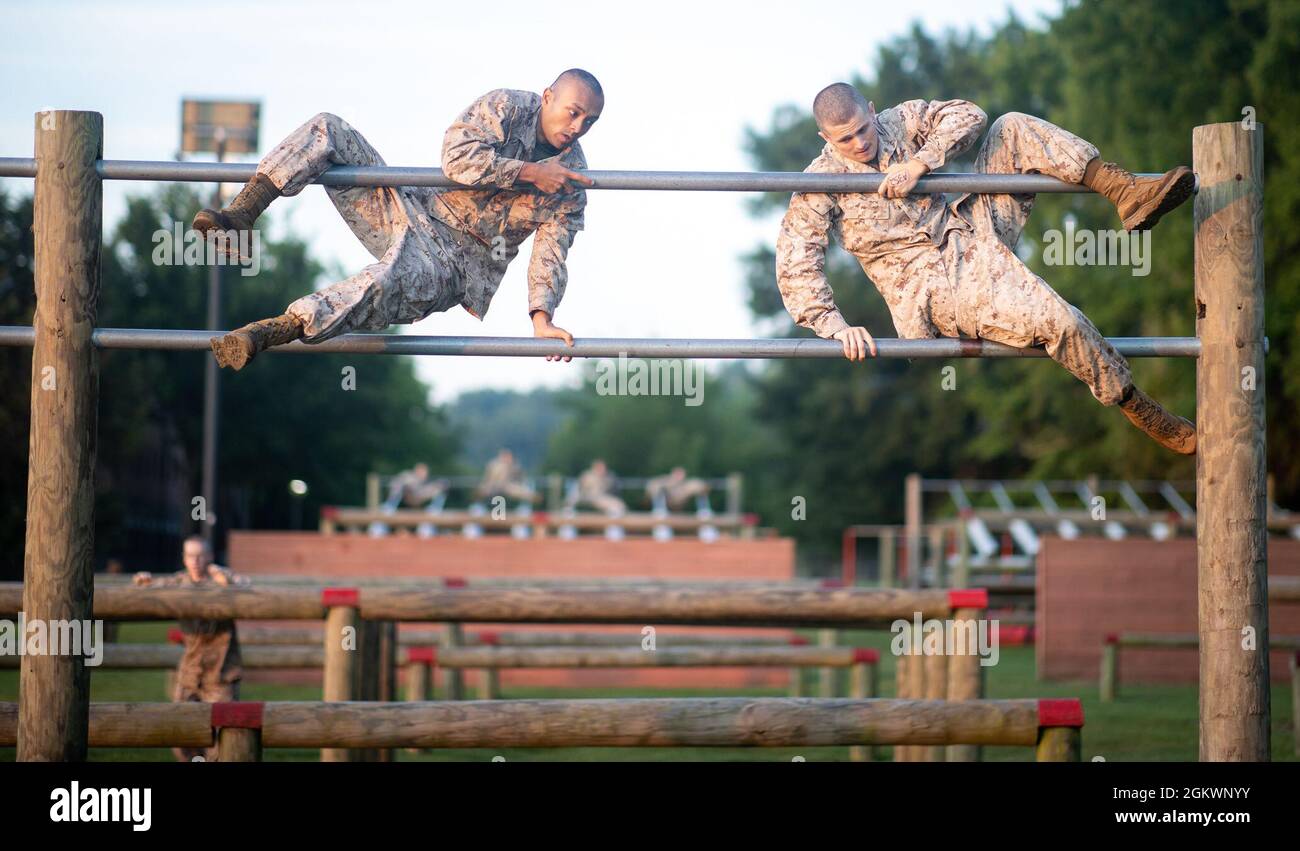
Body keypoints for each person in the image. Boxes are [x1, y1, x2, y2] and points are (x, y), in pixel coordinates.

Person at [775, 83, 1197, 454]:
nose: (860, 143)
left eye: (862, 129)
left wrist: (921, 162)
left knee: (1011, 127)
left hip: (971, 226)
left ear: (870, 110)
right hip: (934, 285)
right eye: (845, 139)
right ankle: (1135, 403)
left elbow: (969, 115)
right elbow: (796, 264)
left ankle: (1123, 191)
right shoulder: (821, 180)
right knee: (1059, 322)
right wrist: (835, 327)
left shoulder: (898, 121)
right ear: (824, 138)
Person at [192, 70, 604, 370]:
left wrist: (542, 318)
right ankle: (242, 213)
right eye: (573, 113)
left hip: (453, 264)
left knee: (382, 282)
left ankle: (266, 332)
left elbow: (551, 253)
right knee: (329, 129)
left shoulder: (570, 180)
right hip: (410, 209)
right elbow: (457, 157)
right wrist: (531, 173)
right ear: (548, 96)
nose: (577, 127)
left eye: (589, 122)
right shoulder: (508, 106)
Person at [133, 535, 248, 762]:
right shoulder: (180, 582)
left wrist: (223, 580)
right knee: (180, 732)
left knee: (222, 738)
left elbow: (248, 590)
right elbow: (150, 587)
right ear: (184, 558)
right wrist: (143, 581)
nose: (195, 560)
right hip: (191, 671)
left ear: (210, 557)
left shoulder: (222, 579)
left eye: (200, 555)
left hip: (221, 671)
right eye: (190, 555)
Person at [383, 462, 448, 511]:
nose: (423, 474)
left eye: (424, 472)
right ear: (416, 471)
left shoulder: (426, 485)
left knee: (441, 490)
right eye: (421, 471)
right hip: (402, 501)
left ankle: (433, 512)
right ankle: (388, 509)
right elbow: (393, 485)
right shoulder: (407, 476)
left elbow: (424, 493)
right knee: (398, 488)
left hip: (419, 501)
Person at [645, 467, 712, 513]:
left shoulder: (687, 485)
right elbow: (652, 487)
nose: (679, 477)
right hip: (664, 508)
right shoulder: (664, 482)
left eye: (680, 474)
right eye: (677, 474)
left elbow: (705, 487)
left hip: (676, 506)